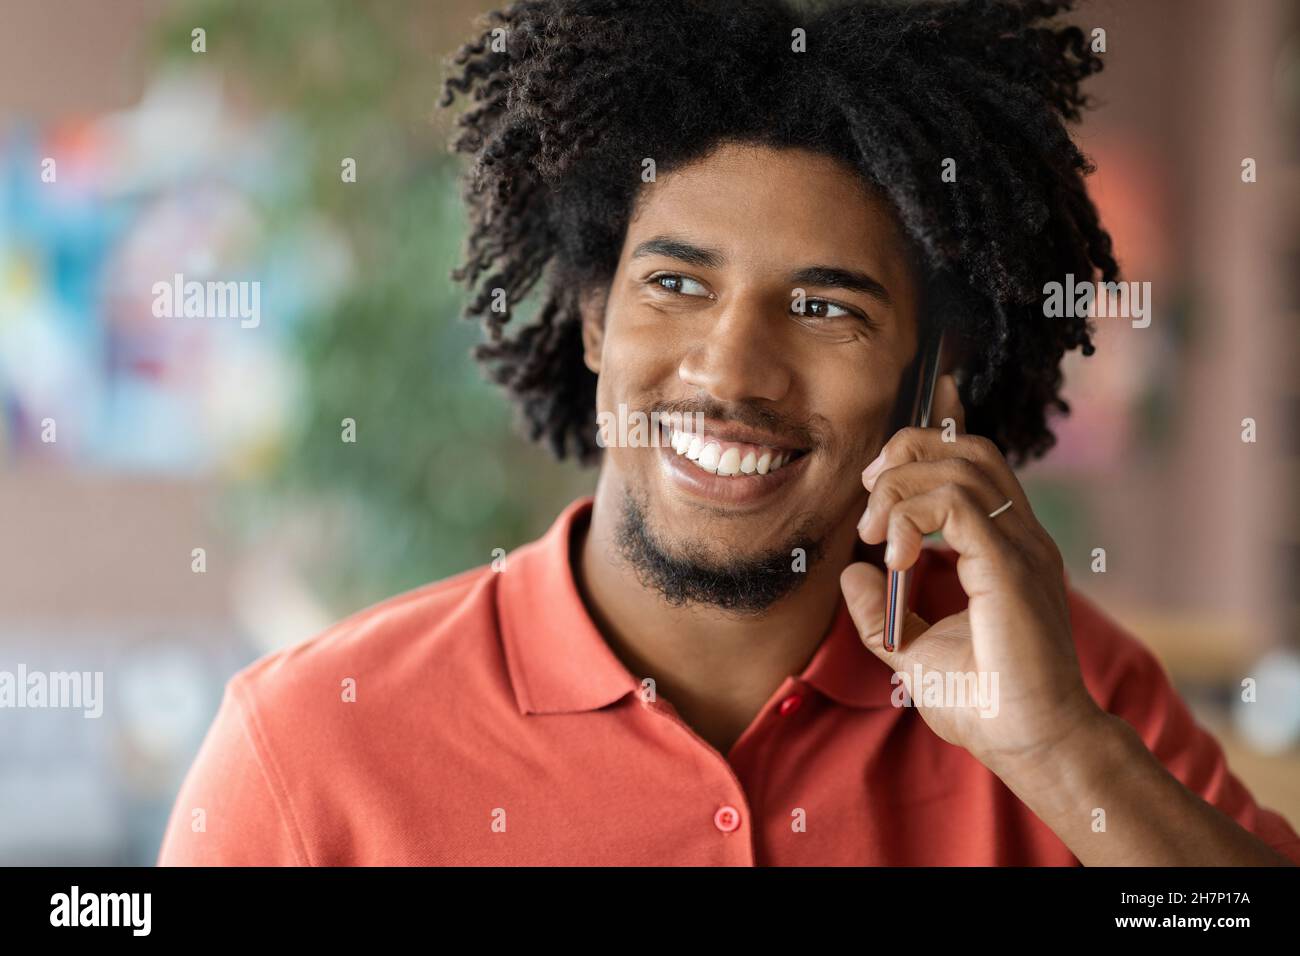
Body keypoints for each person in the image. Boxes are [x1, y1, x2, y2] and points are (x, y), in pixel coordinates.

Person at [158, 0, 1300, 865]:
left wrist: (1058, 749)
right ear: (596, 320)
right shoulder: (307, 748)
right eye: (676, 285)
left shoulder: (1064, 684)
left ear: (931, 380)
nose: (729, 369)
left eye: (825, 307)